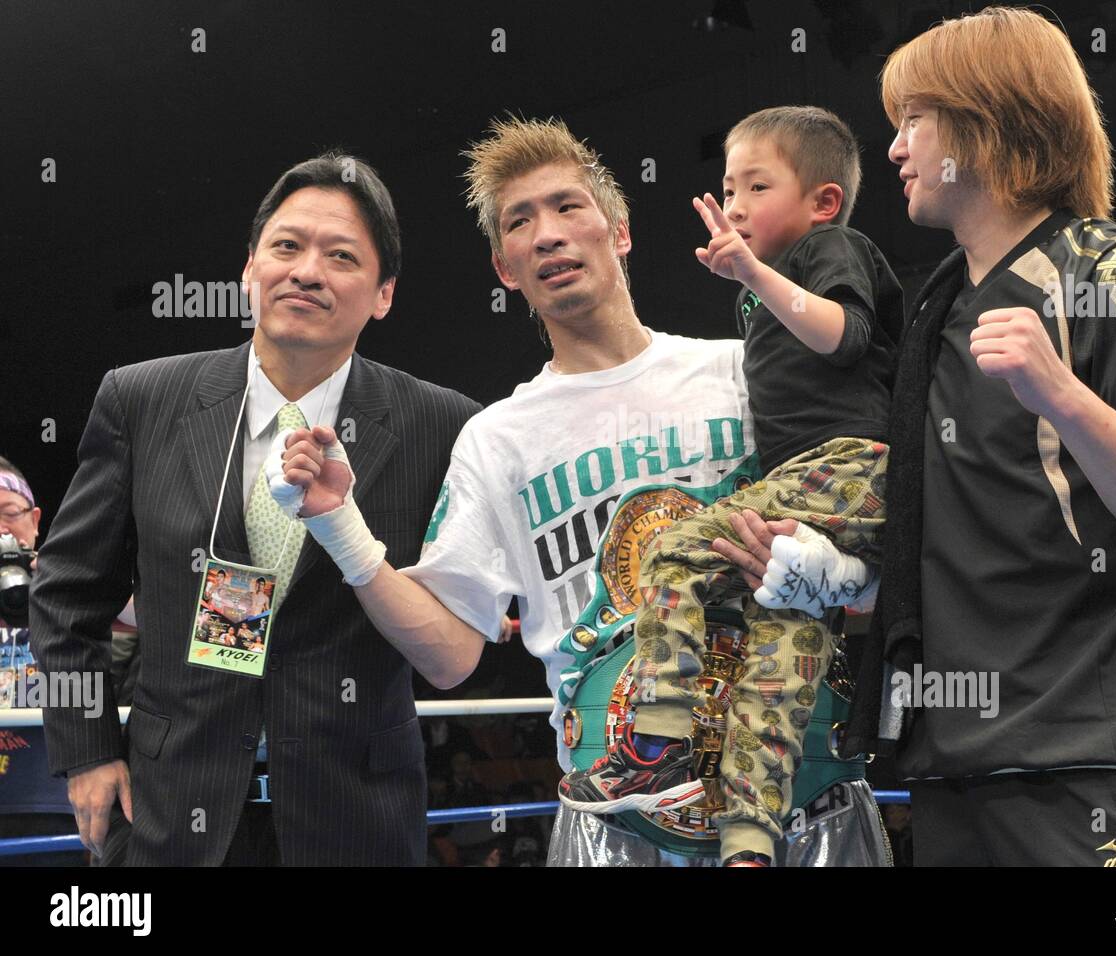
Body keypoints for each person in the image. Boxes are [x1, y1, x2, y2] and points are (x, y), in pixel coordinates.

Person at [273, 116, 891, 866]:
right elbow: (449, 657)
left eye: (568, 207)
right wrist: (341, 523)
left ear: (619, 232)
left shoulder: (748, 369)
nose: (547, 235)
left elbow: (873, 533)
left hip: (807, 806)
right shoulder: (497, 439)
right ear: (506, 268)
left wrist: (822, 573)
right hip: (616, 833)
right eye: (520, 223)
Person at [746, 7, 1116, 865]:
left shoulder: (1111, 274)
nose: (895, 150)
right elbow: (950, 537)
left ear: (987, 118)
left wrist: (1063, 395)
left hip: (1104, 770)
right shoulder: (932, 307)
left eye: (913, 122)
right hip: (953, 766)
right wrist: (825, 574)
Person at [29, 152, 480, 866]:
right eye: (287, 246)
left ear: (384, 293)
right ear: (249, 268)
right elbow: (64, 598)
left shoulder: (443, 426)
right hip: (166, 813)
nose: (306, 271)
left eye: (341, 256)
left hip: (355, 821)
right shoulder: (141, 400)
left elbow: (456, 635)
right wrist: (84, 752)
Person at [557, 106, 900, 867]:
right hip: (813, 504)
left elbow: (843, 335)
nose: (735, 203)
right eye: (726, 187)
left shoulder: (831, 249)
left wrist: (753, 270)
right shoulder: (759, 293)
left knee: (674, 552)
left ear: (822, 201)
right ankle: (749, 845)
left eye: (755, 185)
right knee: (777, 675)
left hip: (853, 471)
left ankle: (657, 741)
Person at [0, 457, 83, 866]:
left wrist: (70, 584)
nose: (0, 530)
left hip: (52, 799)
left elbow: (169, 628)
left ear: (34, 520)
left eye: (9, 515)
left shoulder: (69, 583)